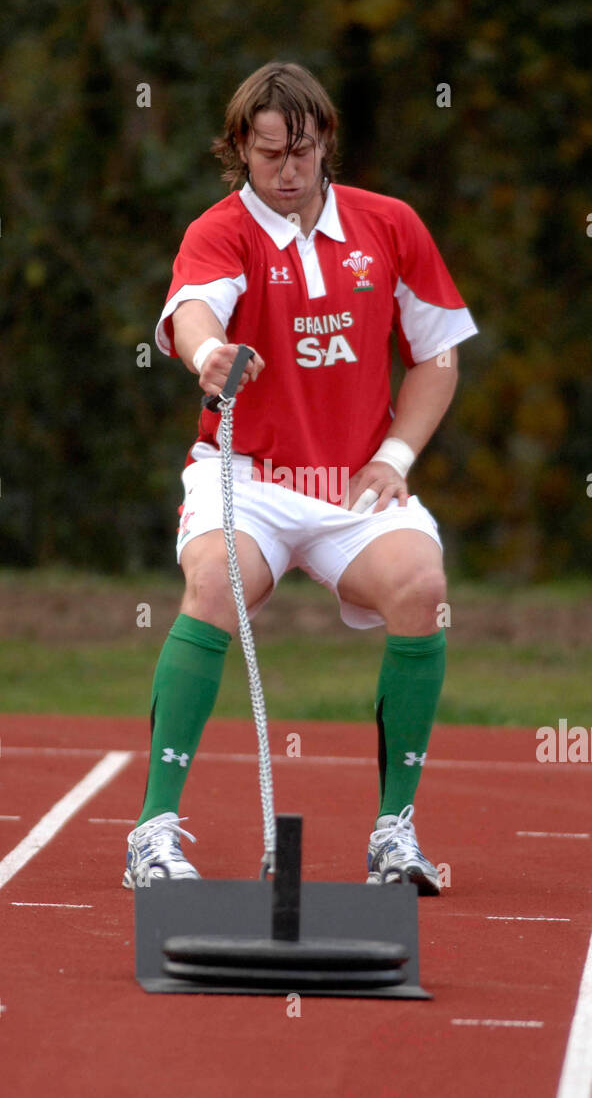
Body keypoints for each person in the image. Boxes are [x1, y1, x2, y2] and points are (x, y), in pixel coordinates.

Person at [123, 61, 477, 893]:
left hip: (352, 484)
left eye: (303, 151)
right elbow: (191, 312)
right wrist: (210, 353)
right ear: (240, 148)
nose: (287, 170)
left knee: (422, 586)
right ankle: (153, 832)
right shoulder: (222, 230)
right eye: (269, 152)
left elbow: (437, 356)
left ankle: (395, 830)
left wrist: (393, 459)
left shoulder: (388, 225)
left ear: (326, 144)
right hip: (247, 476)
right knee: (216, 582)